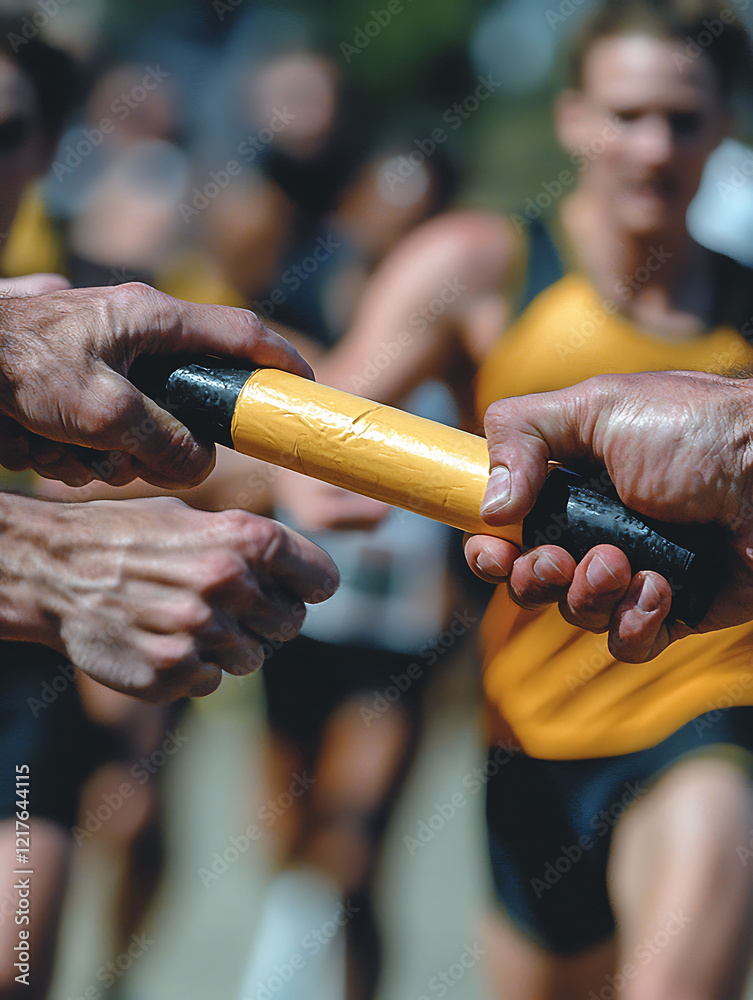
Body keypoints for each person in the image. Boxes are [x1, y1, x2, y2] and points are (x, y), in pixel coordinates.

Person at [311, 2, 753, 996]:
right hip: (532, 725)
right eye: (627, 114)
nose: (654, 147)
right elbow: (327, 422)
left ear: (726, 124)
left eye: (684, 118)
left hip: (712, 702)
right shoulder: (485, 265)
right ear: (572, 120)